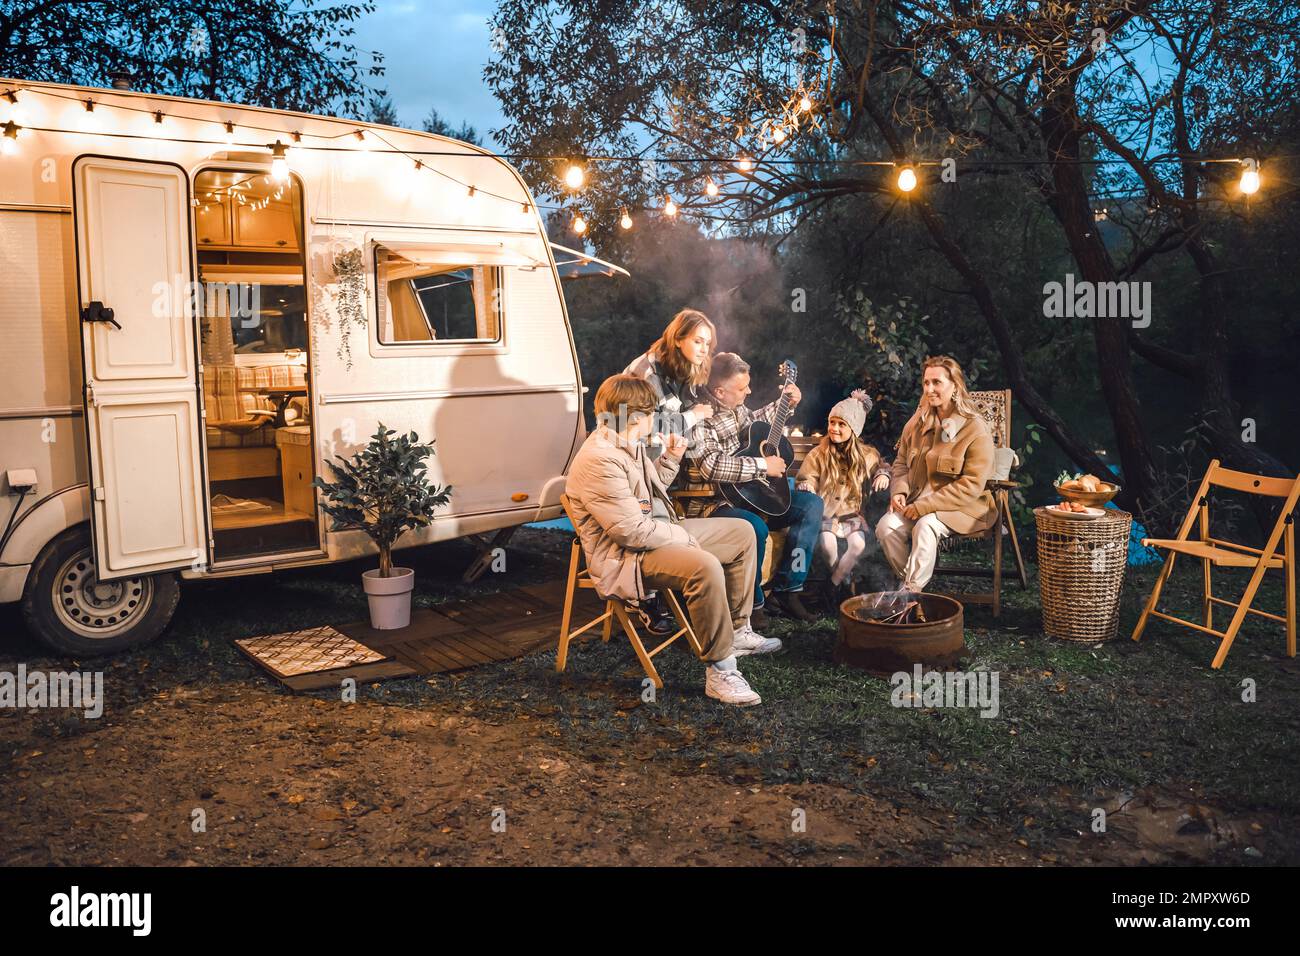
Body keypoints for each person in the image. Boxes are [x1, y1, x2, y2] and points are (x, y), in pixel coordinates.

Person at [565, 374, 781, 707]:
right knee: (703, 566)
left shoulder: (626, 444)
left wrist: (669, 460)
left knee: (742, 532)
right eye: (650, 413)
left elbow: (648, 498)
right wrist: (682, 536)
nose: (655, 419)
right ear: (634, 416)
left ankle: (737, 630)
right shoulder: (600, 458)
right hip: (627, 557)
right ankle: (721, 671)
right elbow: (631, 532)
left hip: (656, 533)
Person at [680, 352, 824, 622]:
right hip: (715, 504)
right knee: (752, 526)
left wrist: (785, 404)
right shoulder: (699, 420)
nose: (749, 390)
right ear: (720, 391)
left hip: (753, 495)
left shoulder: (737, 409)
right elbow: (710, 465)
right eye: (742, 387)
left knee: (811, 506)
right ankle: (754, 603)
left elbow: (757, 423)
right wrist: (762, 466)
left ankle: (787, 589)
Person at [875, 356, 996, 593]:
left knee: (925, 525)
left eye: (937, 383)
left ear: (954, 386)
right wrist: (899, 491)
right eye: (926, 382)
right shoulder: (917, 424)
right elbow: (901, 463)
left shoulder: (974, 427)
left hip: (963, 508)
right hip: (917, 503)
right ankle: (911, 588)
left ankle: (909, 593)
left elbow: (971, 485)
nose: (929, 389)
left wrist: (923, 507)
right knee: (886, 526)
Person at [795, 390, 891, 598]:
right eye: (832, 423)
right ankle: (842, 578)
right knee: (827, 545)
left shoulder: (867, 455)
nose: (834, 429)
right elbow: (807, 476)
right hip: (827, 514)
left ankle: (832, 585)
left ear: (854, 429)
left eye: (841, 425)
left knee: (858, 544)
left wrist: (883, 474)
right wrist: (807, 484)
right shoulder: (819, 453)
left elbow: (883, 466)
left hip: (852, 515)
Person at [623, 308, 717, 459]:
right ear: (678, 339)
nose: (704, 350)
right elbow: (646, 429)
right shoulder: (648, 375)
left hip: (656, 458)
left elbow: (680, 408)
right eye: (698, 341)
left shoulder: (685, 365)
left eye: (708, 343)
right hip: (631, 459)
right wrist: (694, 415)